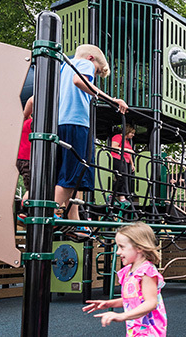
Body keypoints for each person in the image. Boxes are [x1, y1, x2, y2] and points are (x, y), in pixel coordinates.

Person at [56, 45, 128, 236]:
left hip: (60, 124)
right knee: (74, 173)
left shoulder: (63, 68)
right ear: (91, 59)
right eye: (96, 71)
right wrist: (111, 99)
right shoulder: (83, 64)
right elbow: (79, 81)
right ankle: (50, 213)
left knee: (74, 177)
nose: (94, 74)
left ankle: (75, 221)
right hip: (76, 123)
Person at [83, 222, 167, 335]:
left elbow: (151, 302)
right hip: (135, 327)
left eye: (122, 247)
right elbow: (132, 299)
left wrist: (122, 316)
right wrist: (109, 304)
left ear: (139, 247)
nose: (118, 252)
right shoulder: (128, 271)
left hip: (149, 330)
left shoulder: (147, 272)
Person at [109, 124, 137, 203]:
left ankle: (115, 194)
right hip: (117, 159)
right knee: (122, 177)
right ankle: (121, 196)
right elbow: (113, 146)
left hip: (126, 161)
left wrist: (132, 164)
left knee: (125, 178)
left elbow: (129, 154)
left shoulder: (127, 141)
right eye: (132, 133)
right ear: (127, 131)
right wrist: (126, 150)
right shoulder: (118, 137)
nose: (133, 135)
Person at [16, 97, 34, 195]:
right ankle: (25, 208)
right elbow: (32, 100)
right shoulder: (33, 124)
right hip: (28, 160)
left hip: (19, 160)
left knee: (30, 188)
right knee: (32, 190)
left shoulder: (21, 124)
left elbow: (30, 101)